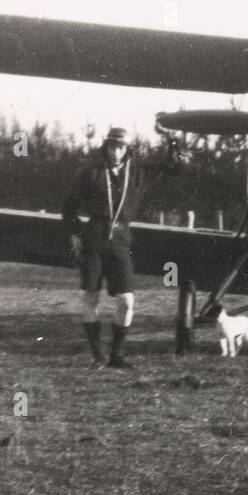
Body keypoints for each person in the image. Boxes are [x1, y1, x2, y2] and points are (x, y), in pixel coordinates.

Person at [62, 126, 180, 367]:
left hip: (121, 239)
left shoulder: (137, 172)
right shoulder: (90, 173)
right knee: (90, 298)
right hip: (93, 238)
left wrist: (171, 140)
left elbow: (173, 168)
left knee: (126, 301)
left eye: (121, 147)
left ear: (127, 149)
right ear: (106, 147)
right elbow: (68, 207)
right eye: (112, 146)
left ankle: (116, 355)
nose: (116, 152)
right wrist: (75, 234)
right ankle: (97, 356)